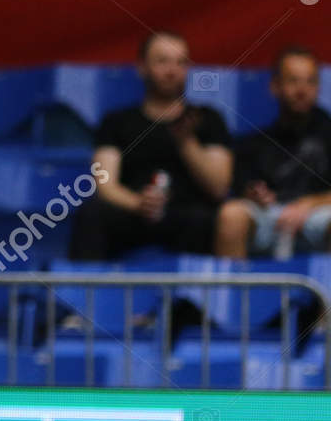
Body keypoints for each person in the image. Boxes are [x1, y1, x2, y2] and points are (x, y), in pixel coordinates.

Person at [71, 31, 233, 259]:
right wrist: (138, 203)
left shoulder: (207, 119)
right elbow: (105, 184)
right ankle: (84, 283)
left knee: (211, 218)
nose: (172, 70)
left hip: (186, 217)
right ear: (141, 67)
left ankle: (196, 284)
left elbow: (219, 188)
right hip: (130, 211)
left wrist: (186, 142)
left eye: (180, 62)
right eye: (162, 61)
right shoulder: (117, 122)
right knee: (92, 212)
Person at [217, 46, 331, 258]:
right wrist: (255, 195)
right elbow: (241, 190)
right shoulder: (253, 144)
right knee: (231, 215)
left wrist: (308, 204)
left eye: (310, 81)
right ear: (275, 86)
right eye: (293, 81)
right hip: (269, 216)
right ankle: (231, 281)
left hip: (319, 215)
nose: (302, 90)